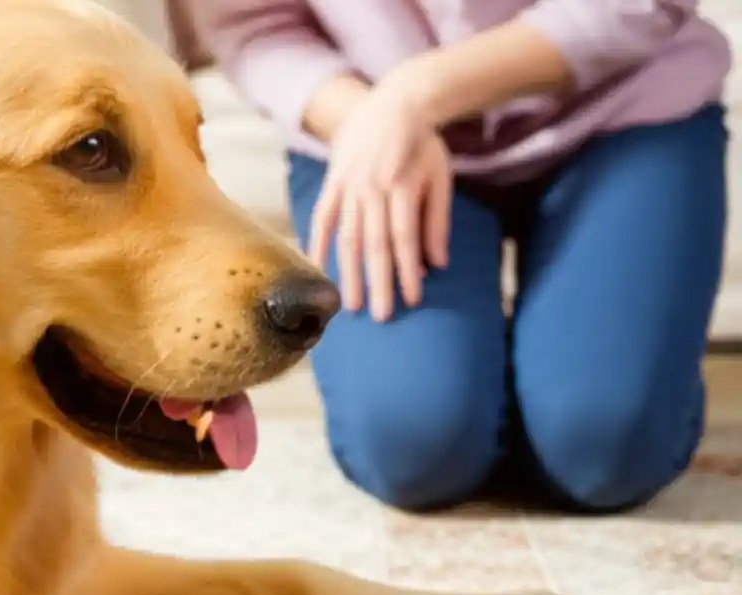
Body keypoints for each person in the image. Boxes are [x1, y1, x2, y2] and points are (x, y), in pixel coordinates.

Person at [189, 1, 733, 512]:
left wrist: (415, 95)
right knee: (413, 448)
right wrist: (367, 119)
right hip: (368, 129)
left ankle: (585, 392)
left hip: (622, 105)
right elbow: (253, 24)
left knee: (605, 452)